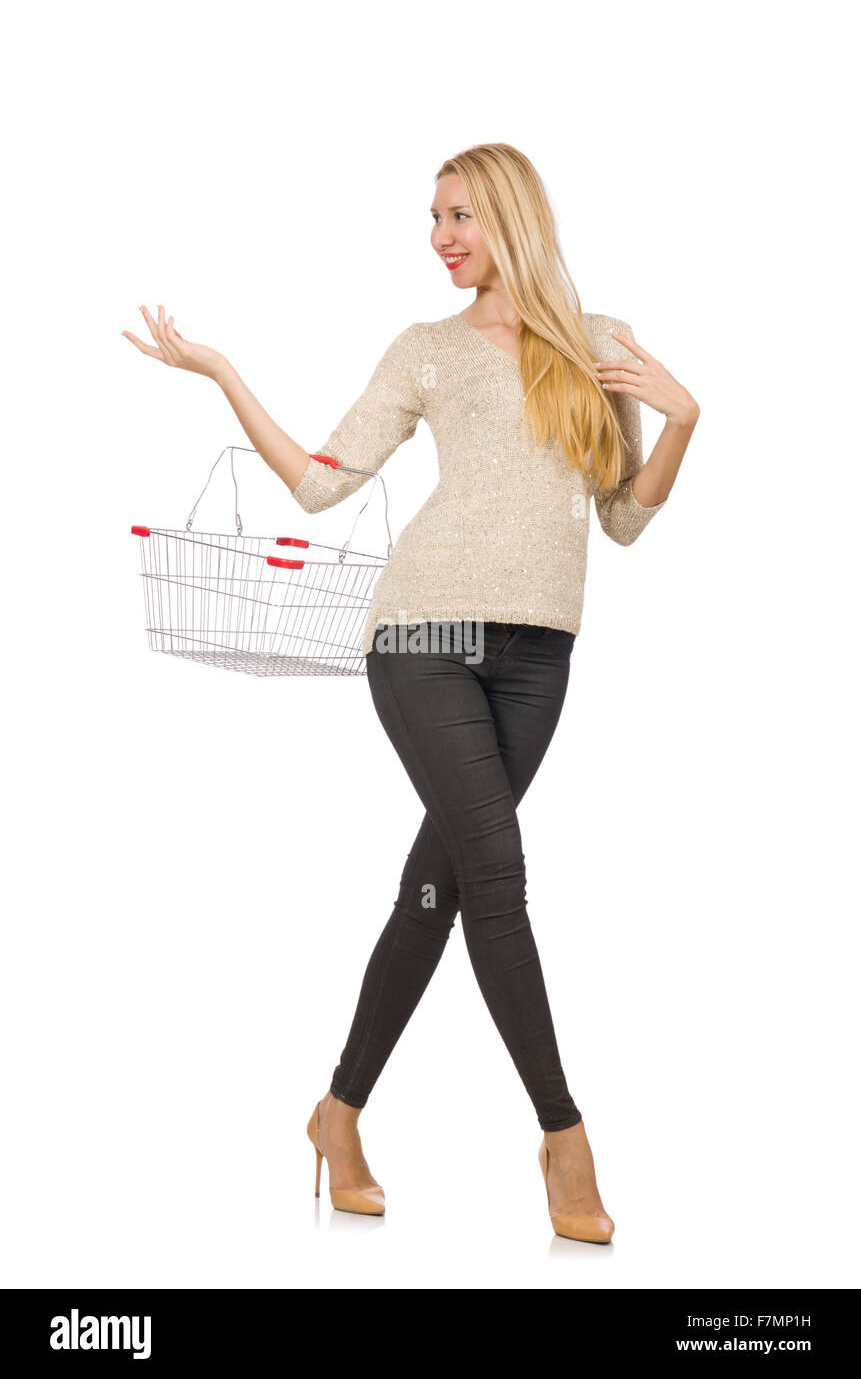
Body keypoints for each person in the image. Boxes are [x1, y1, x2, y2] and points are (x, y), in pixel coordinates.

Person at [121, 142, 699, 1243]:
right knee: (498, 874)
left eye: (461, 215)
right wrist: (223, 371)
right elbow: (320, 486)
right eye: (431, 217)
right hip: (421, 635)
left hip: (541, 655)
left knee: (436, 891)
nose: (440, 236)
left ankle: (335, 1115)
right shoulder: (427, 349)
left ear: (515, 216)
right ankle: (565, 1138)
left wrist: (683, 418)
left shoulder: (602, 343)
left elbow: (622, 520)